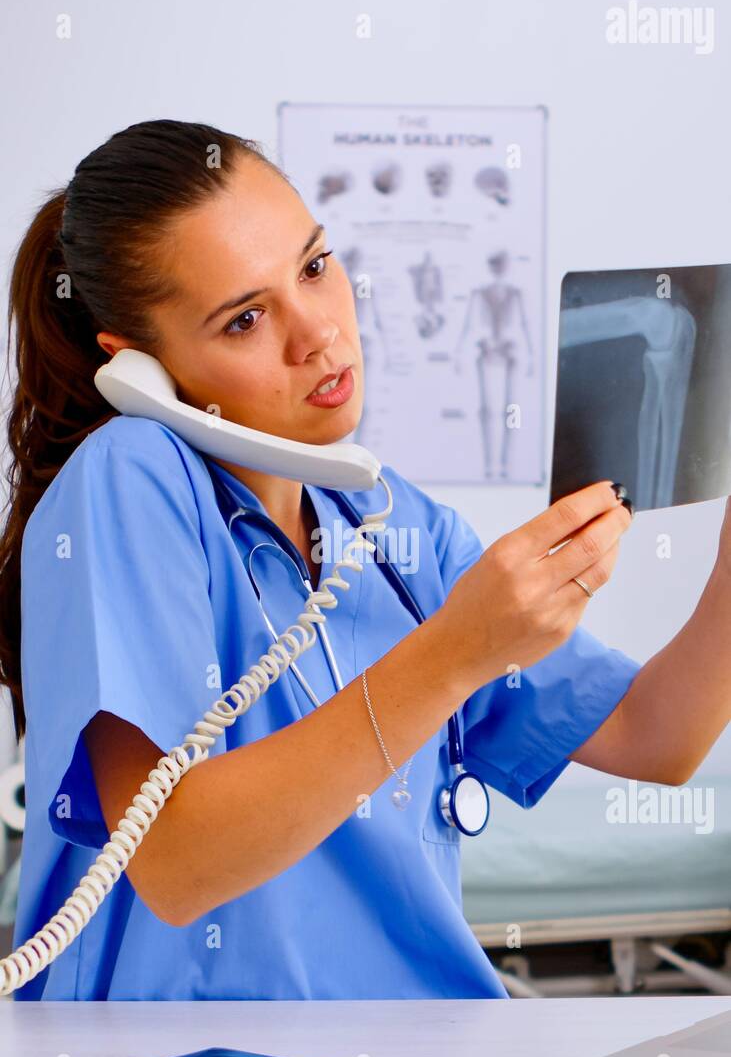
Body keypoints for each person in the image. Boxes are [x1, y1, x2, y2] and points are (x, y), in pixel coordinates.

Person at [1, 120, 729, 1001]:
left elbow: (657, 736)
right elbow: (176, 862)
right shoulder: (128, 479)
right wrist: (458, 650)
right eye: (244, 318)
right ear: (140, 368)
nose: (318, 335)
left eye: (313, 266)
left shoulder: (392, 525)